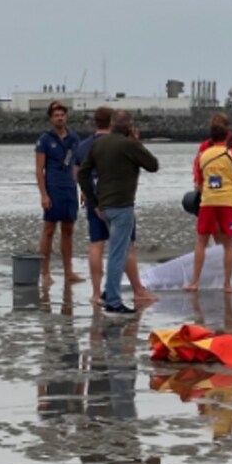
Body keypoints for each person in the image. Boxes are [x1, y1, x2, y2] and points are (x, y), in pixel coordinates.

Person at [76, 110, 159, 316]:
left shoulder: (98, 144)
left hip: (103, 204)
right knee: (118, 253)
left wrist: (93, 200)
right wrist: (137, 142)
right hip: (122, 205)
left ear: (112, 124)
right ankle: (113, 300)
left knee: (114, 249)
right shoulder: (129, 145)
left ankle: (106, 292)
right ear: (130, 128)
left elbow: (83, 174)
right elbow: (153, 165)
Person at [185, 113, 232, 293]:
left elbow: (198, 180)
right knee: (228, 241)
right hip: (227, 200)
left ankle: (197, 281)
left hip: (209, 199)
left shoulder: (204, 152)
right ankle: (227, 283)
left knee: (204, 240)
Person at [34, 101, 83, 287]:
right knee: (49, 230)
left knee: (68, 230)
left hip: (70, 188)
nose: (60, 118)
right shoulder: (45, 140)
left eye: (62, 115)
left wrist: (84, 190)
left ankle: (68, 271)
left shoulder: (74, 138)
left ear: (66, 117)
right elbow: (39, 169)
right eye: (56, 115)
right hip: (53, 188)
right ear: (51, 118)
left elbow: (79, 165)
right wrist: (43, 195)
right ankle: (45, 272)